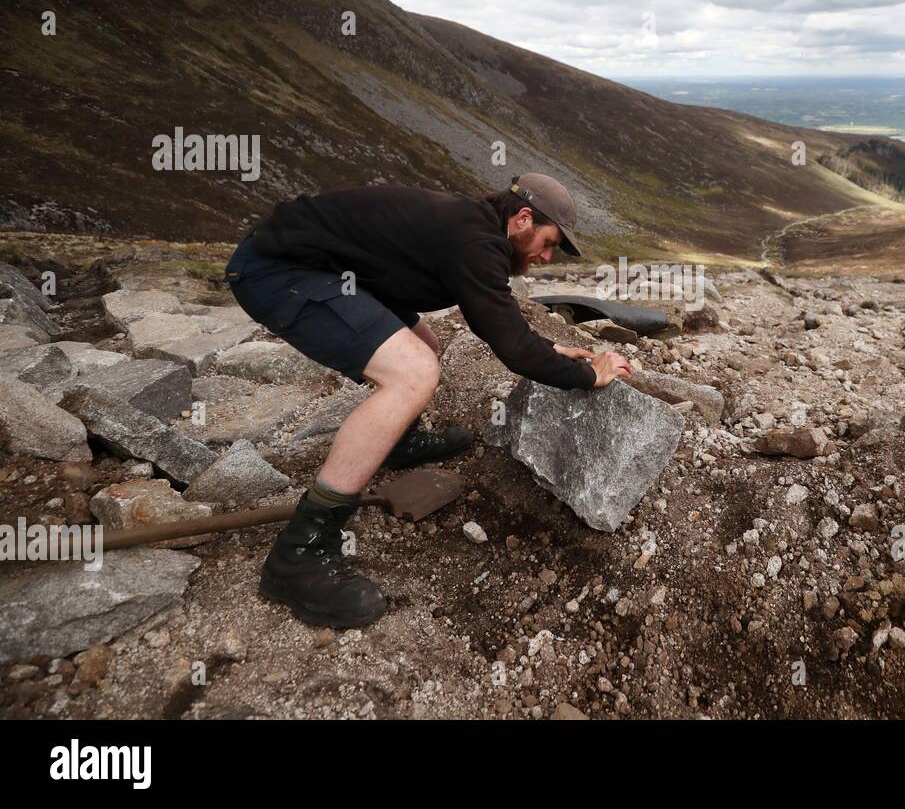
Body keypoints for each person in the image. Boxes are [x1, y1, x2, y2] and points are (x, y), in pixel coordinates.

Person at [223, 173, 633, 627]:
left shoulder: (473, 227)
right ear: (522, 219)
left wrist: (551, 349)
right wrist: (588, 376)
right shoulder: (476, 241)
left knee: (425, 344)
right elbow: (512, 347)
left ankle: (397, 440)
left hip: (328, 270)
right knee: (413, 373)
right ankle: (300, 551)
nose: (546, 256)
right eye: (549, 242)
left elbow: (494, 315)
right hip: (278, 271)